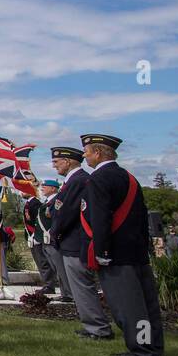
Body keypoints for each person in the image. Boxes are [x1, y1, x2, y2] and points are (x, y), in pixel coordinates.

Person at [81, 135, 164, 356]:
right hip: (136, 251)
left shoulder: (99, 179)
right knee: (146, 306)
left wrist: (101, 251)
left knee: (130, 307)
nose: (85, 156)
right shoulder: (129, 177)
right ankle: (152, 346)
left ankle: (143, 350)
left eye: (87, 152)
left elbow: (100, 218)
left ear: (98, 153)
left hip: (116, 253)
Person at [48, 146, 112, 340]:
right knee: (80, 288)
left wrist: (55, 231)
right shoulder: (72, 181)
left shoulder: (77, 181)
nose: (54, 166)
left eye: (57, 162)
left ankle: (97, 328)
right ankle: (93, 324)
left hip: (75, 241)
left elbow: (66, 213)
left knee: (82, 287)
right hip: (70, 241)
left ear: (68, 161)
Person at [26, 179, 58, 295]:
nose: (42, 188)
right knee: (46, 263)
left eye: (45, 186)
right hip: (41, 237)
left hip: (50, 237)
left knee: (53, 265)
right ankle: (49, 286)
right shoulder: (46, 202)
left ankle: (61, 290)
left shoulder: (55, 201)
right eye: (42, 186)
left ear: (53, 188)